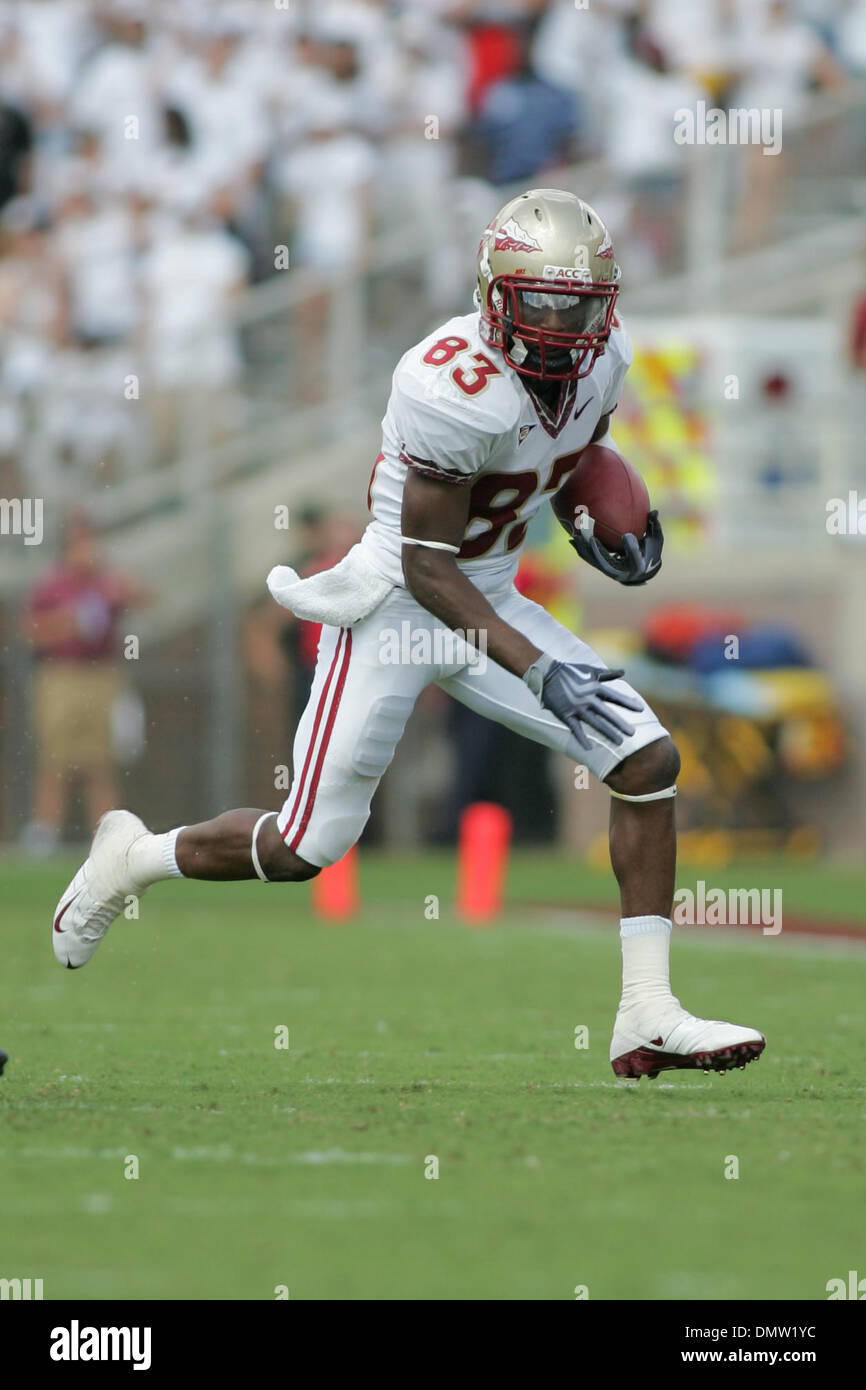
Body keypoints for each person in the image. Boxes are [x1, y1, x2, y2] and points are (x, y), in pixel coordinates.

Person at [51, 189, 765, 1081]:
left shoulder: (605, 360)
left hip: (492, 592)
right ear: (495, 294)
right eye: (541, 300)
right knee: (305, 846)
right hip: (399, 604)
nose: (562, 324)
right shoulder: (445, 383)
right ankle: (131, 859)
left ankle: (646, 1013)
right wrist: (542, 671)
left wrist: (606, 523)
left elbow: (578, 451)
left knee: (646, 759)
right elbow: (430, 566)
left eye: (579, 304)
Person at [23, 512, 148, 853]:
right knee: (56, 758)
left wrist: (122, 591)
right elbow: (32, 632)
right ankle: (45, 833)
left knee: (100, 761)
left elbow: (145, 598)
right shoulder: (52, 585)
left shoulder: (107, 581)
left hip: (101, 675)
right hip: (62, 675)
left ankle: (108, 837)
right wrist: (70, 621)